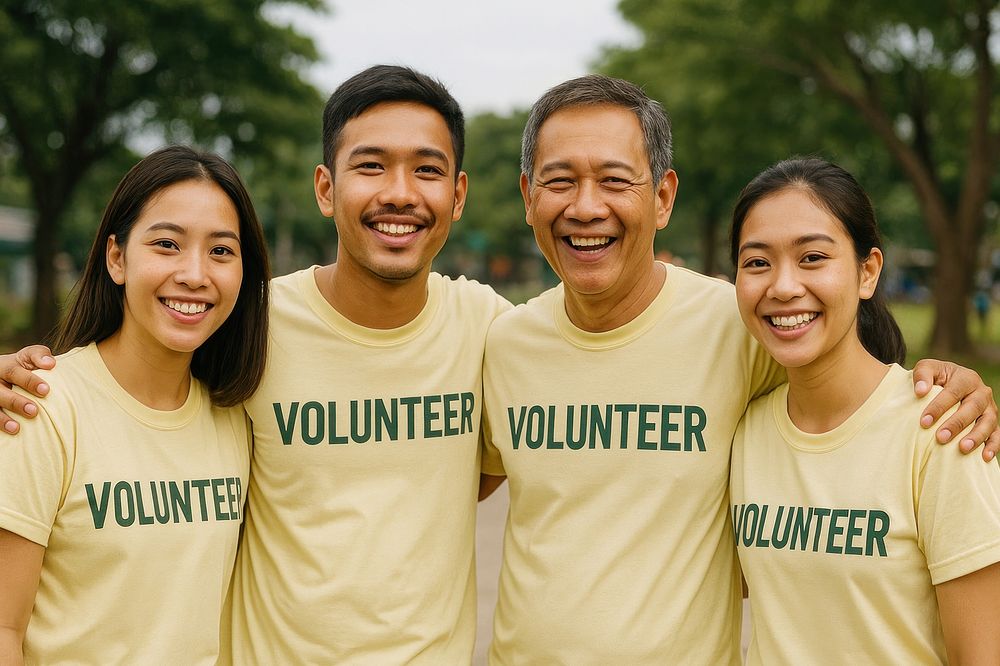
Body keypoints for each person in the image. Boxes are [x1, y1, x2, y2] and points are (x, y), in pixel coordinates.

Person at [477, 75, 999, 664]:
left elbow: (852, 381)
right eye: (560, 181)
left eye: (616, 180)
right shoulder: (503, 343)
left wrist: (950, 388)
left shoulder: (740, 324)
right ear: (528, 195)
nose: (587, 206)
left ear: (664, 197)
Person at [0, 146, 270, 664]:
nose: (195, 274)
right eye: (167, 244)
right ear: (117, 258)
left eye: (221, 251)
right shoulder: (45, 407)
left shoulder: (236, 416)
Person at [729, 158, 1000, 664]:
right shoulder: (745, 432)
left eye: (812, 257)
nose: (783, 287)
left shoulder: (941, 431)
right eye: (758, 262)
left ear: (867, 271)